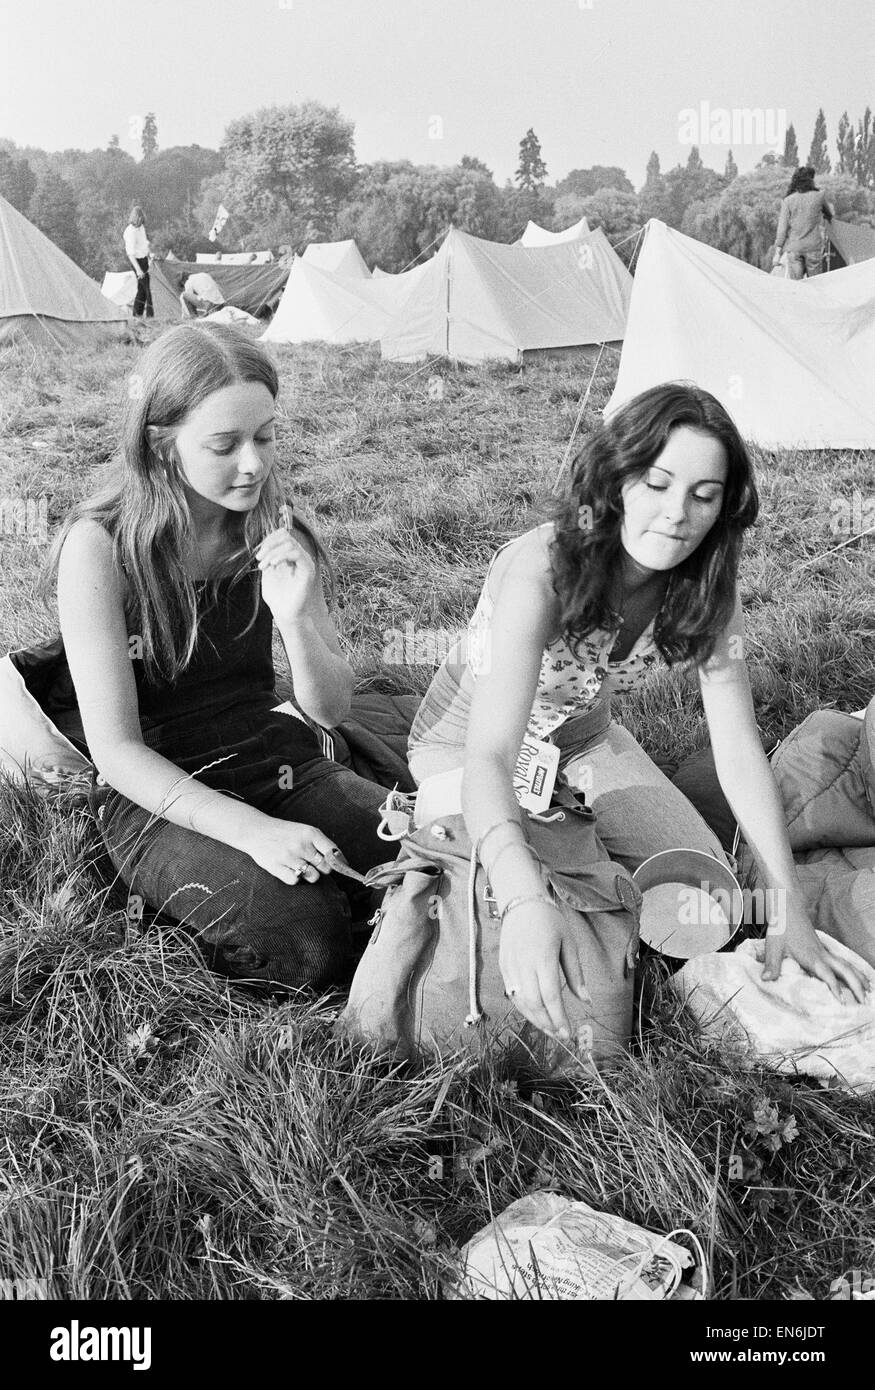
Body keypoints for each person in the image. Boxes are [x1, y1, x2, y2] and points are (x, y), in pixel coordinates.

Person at [407, 383, 868, 1040]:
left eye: (702, 496)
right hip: (465, 750)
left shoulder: (703, 582)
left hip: (585, 745)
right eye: (656, 483)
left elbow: (737, 747)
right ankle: (549, 855)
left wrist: (788, 903)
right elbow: (488, 756)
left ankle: (586, 840)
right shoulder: (537, 572)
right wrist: (519, 896)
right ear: (615, 478)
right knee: (550, 924)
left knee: (708, 911)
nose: (677, 514)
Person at [44, 323, 391, 991]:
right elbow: (117, 752)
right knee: (303, 938)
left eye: (264, 436)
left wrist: (294, 618)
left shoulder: (272, 525)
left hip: (272, 756)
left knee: (426, 856)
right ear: (161, 445)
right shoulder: (101, 547)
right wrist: (254, 832)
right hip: (154, 791)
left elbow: (329, 709)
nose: (253, 464)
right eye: (224, 445)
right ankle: (152, 884)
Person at [773, 167, 835, 280]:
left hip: (794, 248)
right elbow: (829, 216)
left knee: (797, 286)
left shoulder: (788, 200)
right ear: (810, 180)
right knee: (816, 285)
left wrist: (777, 253)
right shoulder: (819, 196)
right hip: (813, 247)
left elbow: (782, 229)